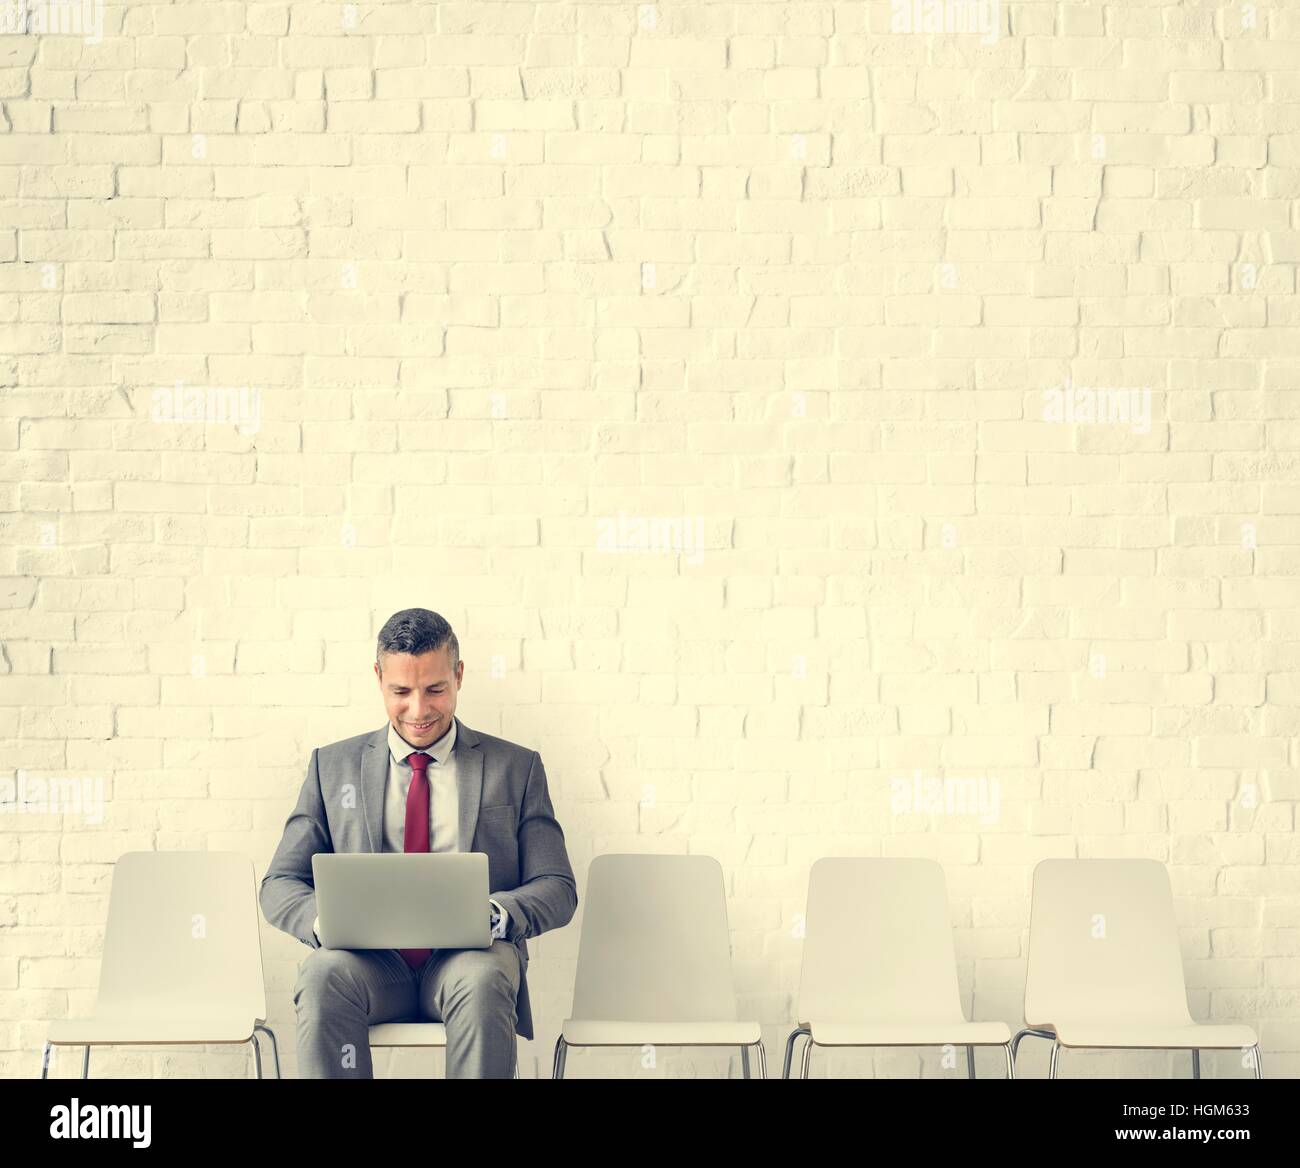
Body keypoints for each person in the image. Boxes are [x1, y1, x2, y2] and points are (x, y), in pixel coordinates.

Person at [260, 607, 577, 1078]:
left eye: (435, 690)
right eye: (400, 692)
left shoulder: (517, 767)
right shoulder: (333, 767)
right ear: (378, 679)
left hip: (467, 962)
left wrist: (496, 914)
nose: (418, 710)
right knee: (321, 974)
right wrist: (326, 921)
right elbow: (279, 882)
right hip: (367, 967)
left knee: (485, 975)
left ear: (459, 675)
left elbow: (556, 886)